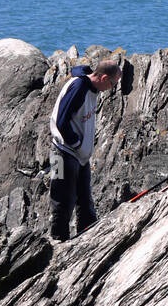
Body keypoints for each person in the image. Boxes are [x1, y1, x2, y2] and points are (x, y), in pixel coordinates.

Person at [48, 58, 121, 240]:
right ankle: (59, 241)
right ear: (104, 78)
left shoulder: (91, 89)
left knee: (85, 203)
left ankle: (87, 240)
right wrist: (77, 144)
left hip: (80, 157)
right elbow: (61, 121)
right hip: (62, 152)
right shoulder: (78, 87)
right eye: (112, 84)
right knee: (62, 202)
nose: (112, 88)